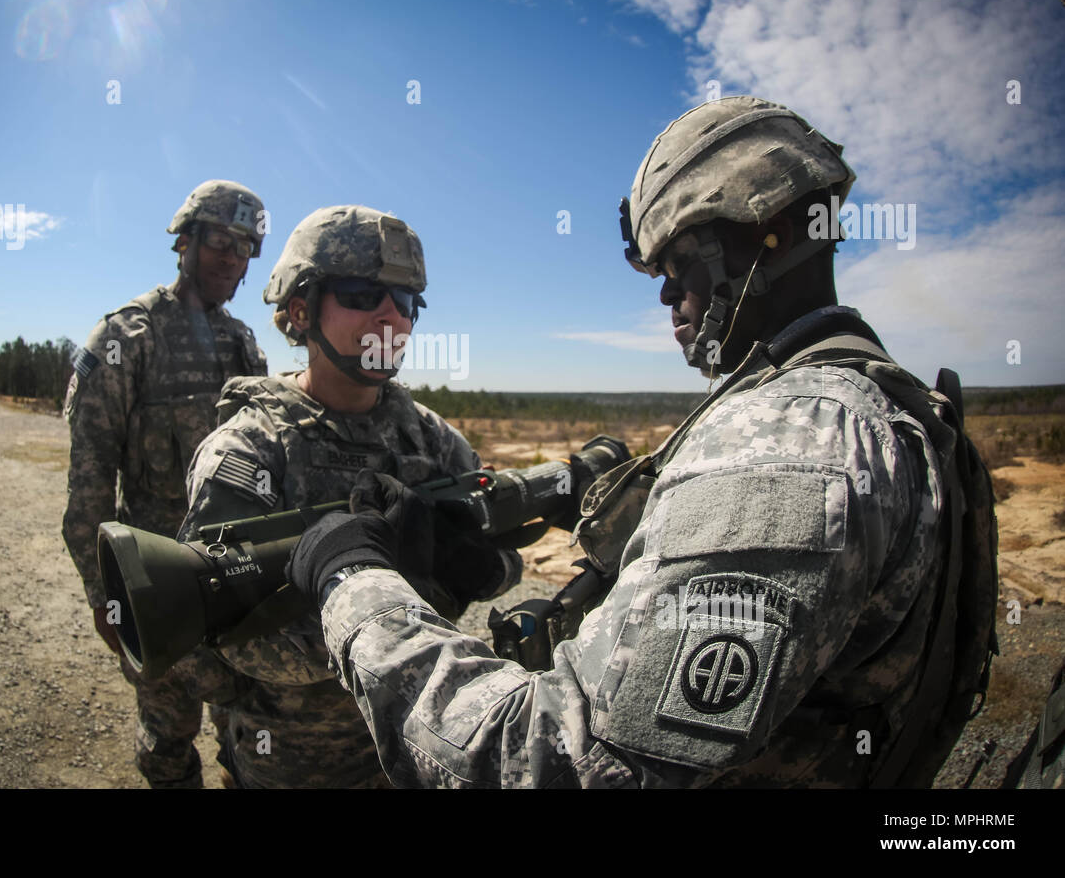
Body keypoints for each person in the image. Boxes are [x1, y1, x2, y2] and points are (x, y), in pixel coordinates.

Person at [287, 96, 998, 788]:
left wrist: (356, 586)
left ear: (765, 231)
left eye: (677, 263)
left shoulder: (781, 448)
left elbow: (551, 764)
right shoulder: (898, 403)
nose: (665, 297)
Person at [177, 204, 522, 788]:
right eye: (363, 294)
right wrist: (418, 601)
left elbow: (503, 547)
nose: (393, 315)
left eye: (406, 301)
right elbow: (238, 646)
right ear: (301, 311)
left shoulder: (433, 439)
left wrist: (490, 572)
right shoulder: (249, 450)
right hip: (291, 763)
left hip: (415, 753)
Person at [62, 179, 269, 788]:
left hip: (238, 592)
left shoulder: (243, 344)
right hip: (158, 593)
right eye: (218, 240)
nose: (231, 257)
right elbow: (89, 488)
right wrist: (105, 595)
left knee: (252, 747)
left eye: (244, 246)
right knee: (168, 748)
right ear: (184, 241)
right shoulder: (125, 340)